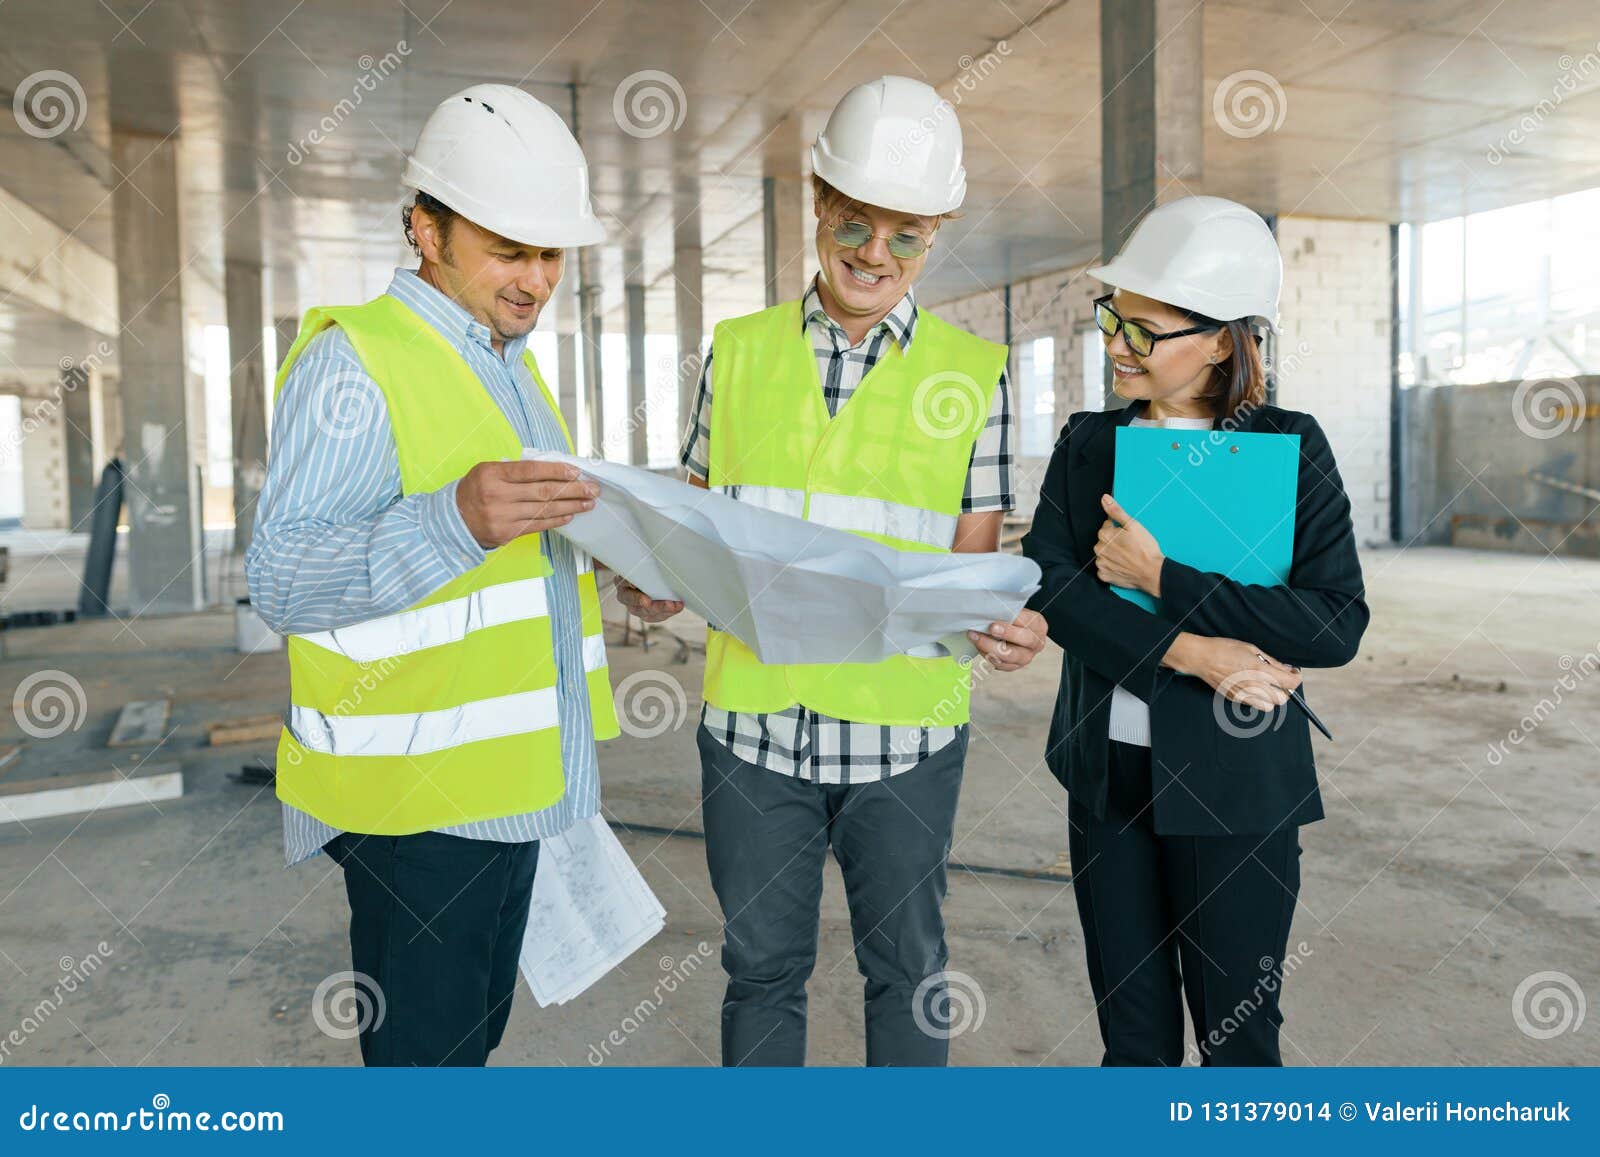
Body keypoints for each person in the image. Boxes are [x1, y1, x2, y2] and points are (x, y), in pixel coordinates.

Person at [620, 75, 1047, 1067]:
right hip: (751, 731)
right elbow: (687, 529)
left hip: (903, 738)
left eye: (906, 235)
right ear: (819, 201)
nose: (873, 254)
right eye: (856, 222)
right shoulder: (737, 354)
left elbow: (967, 576)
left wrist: (1002, 629)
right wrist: (650, 580)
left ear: (936, 232)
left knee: (907, 971)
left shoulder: (971, 375)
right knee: (760, 970)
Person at [246, 84, 631, 1066]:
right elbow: (283, 579)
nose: (537, 279)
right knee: (423, 1069)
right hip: (413, 810)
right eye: (509, 247)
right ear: (425, 226)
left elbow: (518, 555)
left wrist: (627, 570)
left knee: (464, 1056)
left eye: (551, 253)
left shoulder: (504, 365)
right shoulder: (356, 365)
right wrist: (451, 518)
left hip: (507, 790)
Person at [1020, 195, 1369, 1066]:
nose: (1117, 345)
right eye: (1114, 320)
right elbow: (1055, 588)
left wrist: (1161, 578)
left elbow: (1334, 620)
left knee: (1239, 1041)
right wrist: (1194, 652)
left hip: (1237, 783)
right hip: (1110, 783)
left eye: (1145, 330)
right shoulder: (1088, 442)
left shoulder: (1291, 445)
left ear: (1222, 338)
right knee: (1132, 1044)